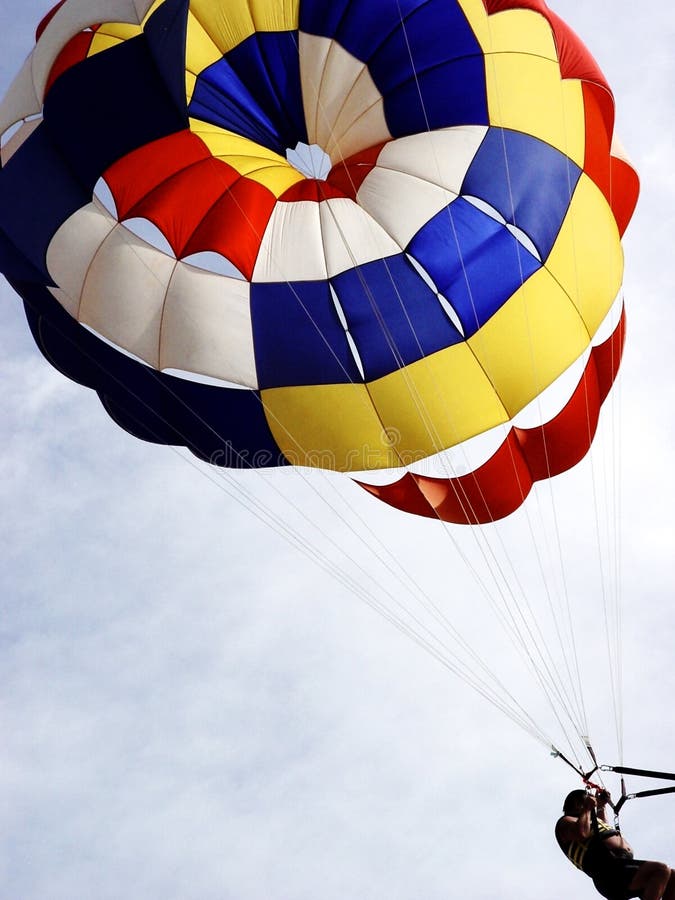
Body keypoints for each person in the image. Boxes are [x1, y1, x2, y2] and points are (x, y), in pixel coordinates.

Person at [555, 788, 675, 900]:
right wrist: (587, 807)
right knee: (660, 870)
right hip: (609, 873)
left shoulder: (587, 820)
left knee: (672, 877)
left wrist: (601, 806)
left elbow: (602, 827)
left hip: (621, 866)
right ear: (577, 803)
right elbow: (581, 833)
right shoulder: (565, 821)